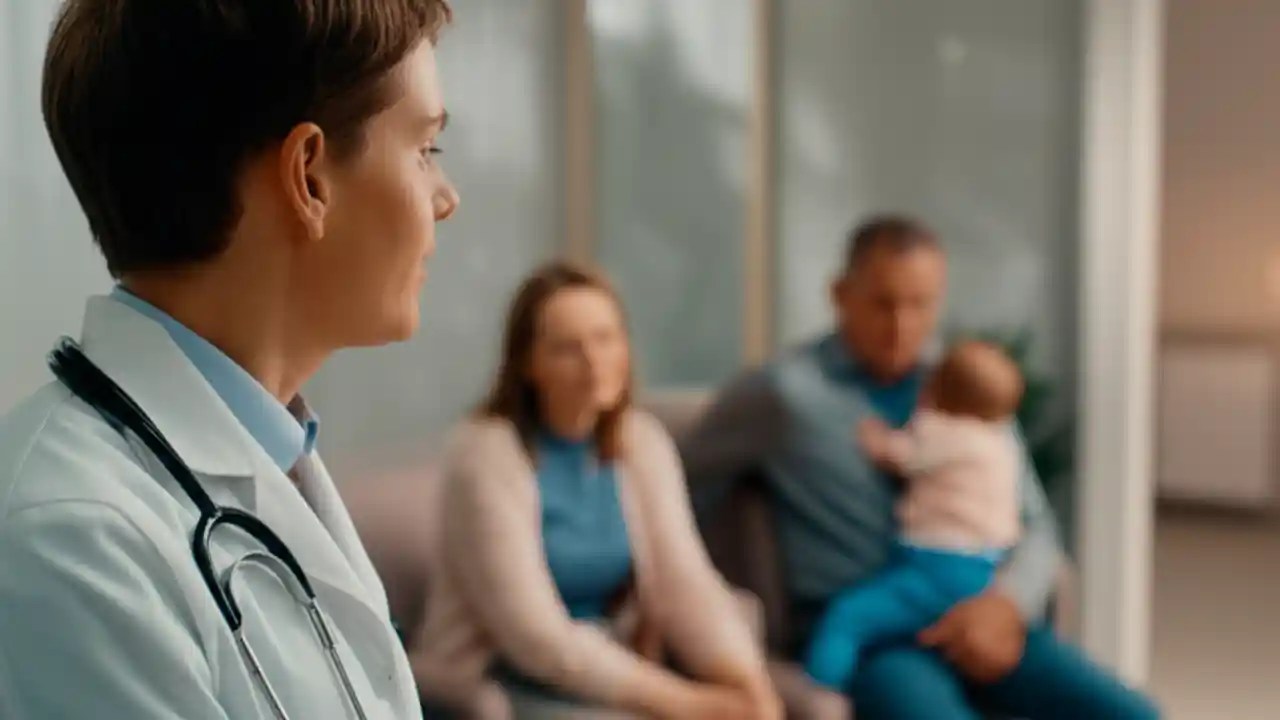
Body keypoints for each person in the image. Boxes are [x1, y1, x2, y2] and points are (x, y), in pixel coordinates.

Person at [0, 1, 458, 718]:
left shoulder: (270, 449)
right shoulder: (68, 540)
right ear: (309, 178)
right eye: (425, 149)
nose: (445, 198)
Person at [682, 216, 1160, 719]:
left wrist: (1008, 606)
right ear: (841, 294)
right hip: (877, 638)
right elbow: (673, 487)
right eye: (883, 304)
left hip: (979, 610)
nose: (901, 327)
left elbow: (1036, 522)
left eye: (920, 305)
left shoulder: (966, 385)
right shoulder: (784, 395)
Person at [412, 262, 780, 720]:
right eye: (568, 347)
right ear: (528, 364)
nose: (594, 361)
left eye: (606, 338)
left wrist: (747, 684)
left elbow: (685, 581)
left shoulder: (640, 440)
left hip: (607, 667)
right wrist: (685, 702)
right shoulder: (484, 454)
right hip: (501, 681)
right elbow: (535, 637)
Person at [804, 340, 1024, 691]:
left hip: (937, 564)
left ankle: (818, 695)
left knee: (847, 618)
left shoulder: (944, 430)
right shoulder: (1001, 445)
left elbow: (901, 455)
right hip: (984, 569)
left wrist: (875, 437)